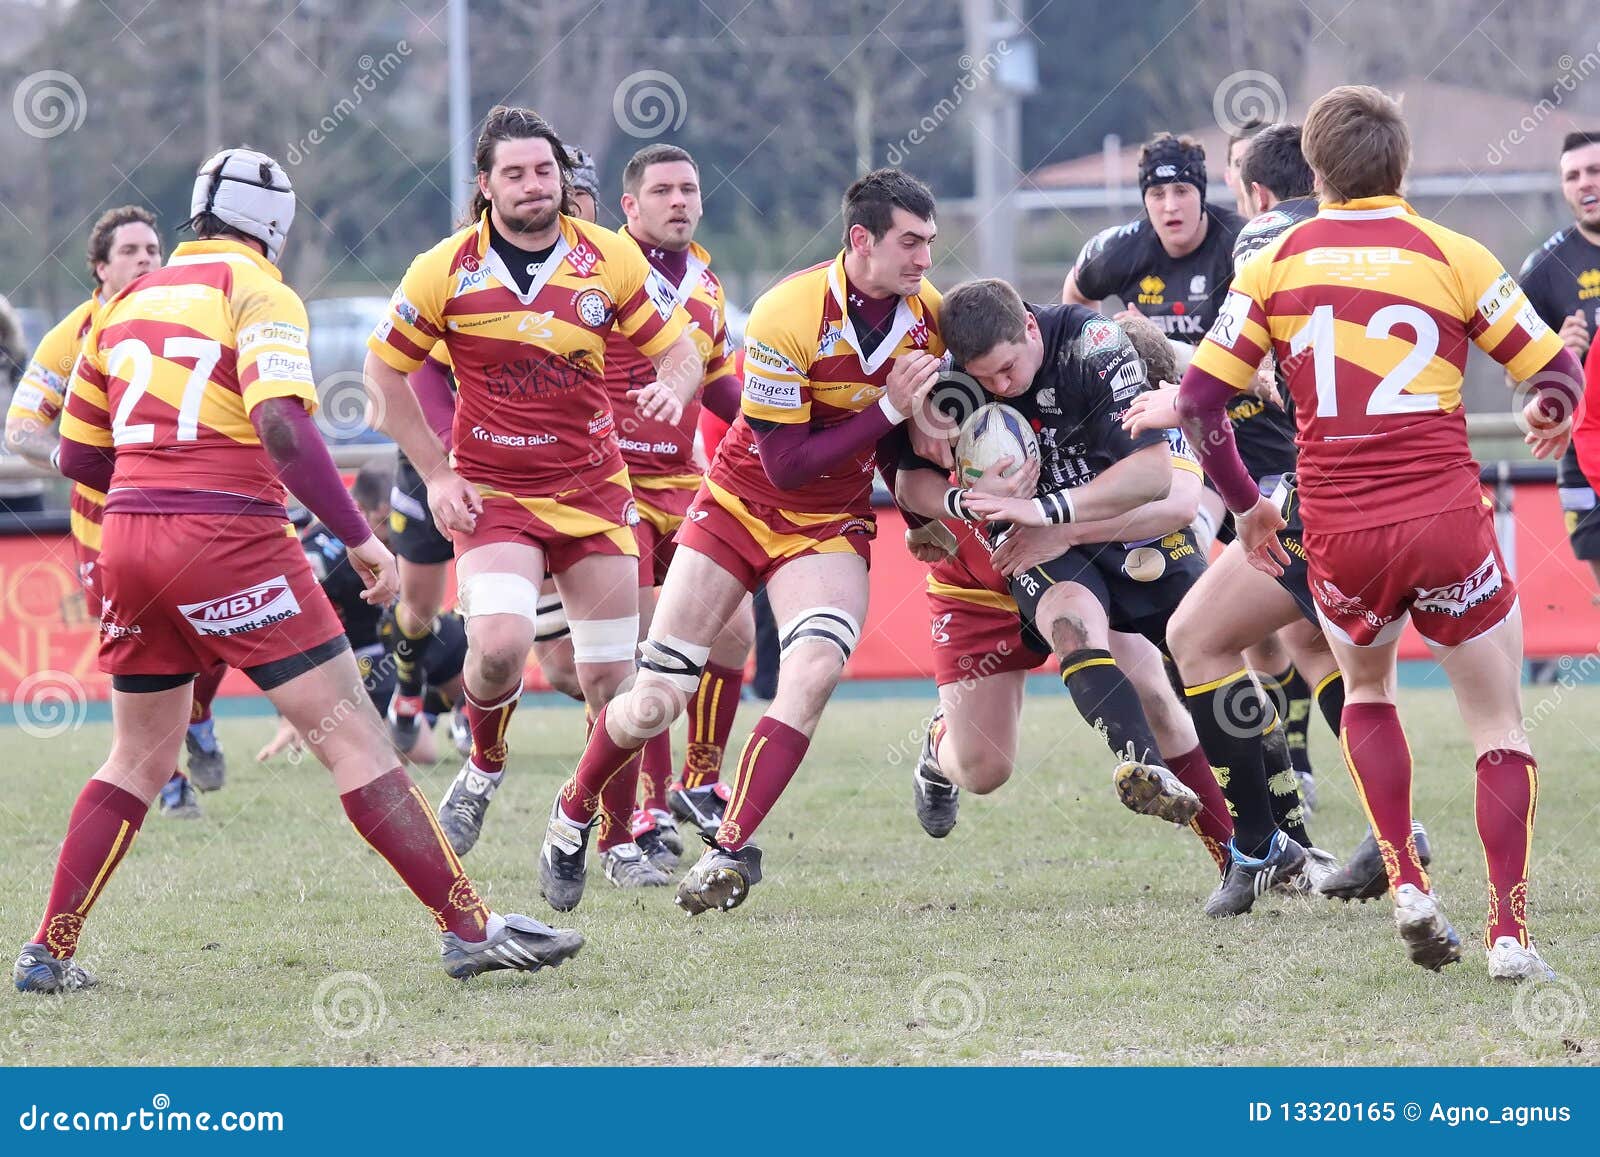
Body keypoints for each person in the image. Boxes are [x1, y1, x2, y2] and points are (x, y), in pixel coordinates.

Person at [14, 148, 581, 995]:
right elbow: (281, 424)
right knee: (352, 736)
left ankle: (47, 952)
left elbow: (77, 452)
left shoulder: (123, 300)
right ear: (273, 223)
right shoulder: (259, 291)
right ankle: (469, 930)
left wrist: (151, 499)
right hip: (230, 531)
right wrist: (359, 537)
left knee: (134, 756)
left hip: (126, 538)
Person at [1176, 85, 1584, 979]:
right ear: (1403, 165)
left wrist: (1246, 503)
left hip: (1338, 526)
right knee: (1498, 724)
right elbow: (1552, 367)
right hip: (1443, 518)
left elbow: (1202, 399)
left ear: (1315, 172)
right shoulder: (1453, 252)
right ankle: (1509, 935)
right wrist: (1552, 410)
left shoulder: (1275, 263)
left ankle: (1405, 878)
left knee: (1366, 690)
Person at [543, 168, 945, 915]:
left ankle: (728, 848)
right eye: (911, 242)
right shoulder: (787, 310)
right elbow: (787, 464)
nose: (926, 260)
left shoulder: (931, 318)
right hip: (738, 503)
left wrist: (935, 488)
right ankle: (573, 809)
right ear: (861, 240)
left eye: (931, 243)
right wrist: (891, 410)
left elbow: (904, 441)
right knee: (654, 697)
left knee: (816, 668)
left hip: (829, 523)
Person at [364, 107, 703, 879]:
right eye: (513, 173)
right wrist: (440, 471)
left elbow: (680, 350)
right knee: (500, 650)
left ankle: (608, 837)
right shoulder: (443, 267)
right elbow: (381, 377)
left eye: (543, 171)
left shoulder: (608, 258)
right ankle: (484, 764)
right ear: (485, 186)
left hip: (592, 488)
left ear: (560, 179)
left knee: (614, 680)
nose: (531, 186)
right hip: (494, 491)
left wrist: (671, 386)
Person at [895, 280, 1228, 858]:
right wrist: (954, 504)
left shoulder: (1113, 368)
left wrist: (1052, 521)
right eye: (988, 378)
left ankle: (1236, 853)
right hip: (980, 577)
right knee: (984, 770)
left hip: (1067, 557)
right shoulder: (949, 383)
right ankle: (937, 745)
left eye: (1007, 372)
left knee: (1151, 689)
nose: (1002, 387)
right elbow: (907, 481)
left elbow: (1171, 498)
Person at [4, 205, 229, 814]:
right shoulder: (73, 335)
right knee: (133, 654)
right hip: (102, 525)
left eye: (154, 249)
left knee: (212, 636)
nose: (147, 260)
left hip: (186, 509)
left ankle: (200, 718)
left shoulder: (193, 317)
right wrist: (66, 458)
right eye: (130, 251)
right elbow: (21, 427)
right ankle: (171, 782)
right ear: (99, 268)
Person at [598, 143, 754, 871]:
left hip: (681, 479)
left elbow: (721, 383)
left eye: (689, 188)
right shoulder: (596, 268)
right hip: (607, 481)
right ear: (629, 206)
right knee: (650, 647)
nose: (680, 201)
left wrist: (777, 425)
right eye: (662, 190)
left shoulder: (707, 284)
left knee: (733, 631)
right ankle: (647, 806)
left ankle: (699, 778)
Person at [258, 459, 470, 766]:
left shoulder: (410, 526)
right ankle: (384, 718)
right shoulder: (324, 555)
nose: (391, 534)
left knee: (476, 645)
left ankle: (431, 702)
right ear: (358, 510)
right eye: (384, 522)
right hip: (358, 657)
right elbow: (289, 626)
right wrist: (291, 712)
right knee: (422, 753)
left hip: (397, 635)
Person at [1516, 131, 1600, 595]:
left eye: (1595, 171)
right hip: (1586, 453)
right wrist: (1554, 358)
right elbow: (1514, 371)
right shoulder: (1545, 268)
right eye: (1572, 176)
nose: (1585, 184)